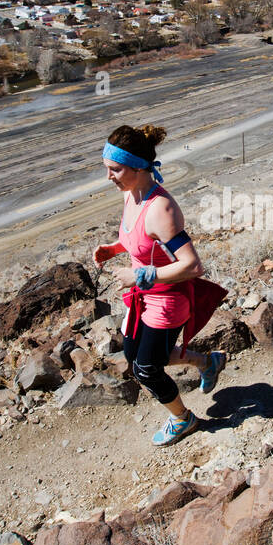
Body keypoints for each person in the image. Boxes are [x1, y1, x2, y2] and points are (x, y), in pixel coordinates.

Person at [94, 124, 228, 446]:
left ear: (139, 167)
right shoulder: (130, 195)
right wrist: (114, 248)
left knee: (146, 370)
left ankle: (183, 419)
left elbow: (193, 265)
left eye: (115, 169)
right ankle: (206, 361)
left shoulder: (161, 209)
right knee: (134, 354)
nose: (109, 177)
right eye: (107, 169)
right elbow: (141, 241)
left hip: (168, 300)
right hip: (143, 296)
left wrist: (141, 275)